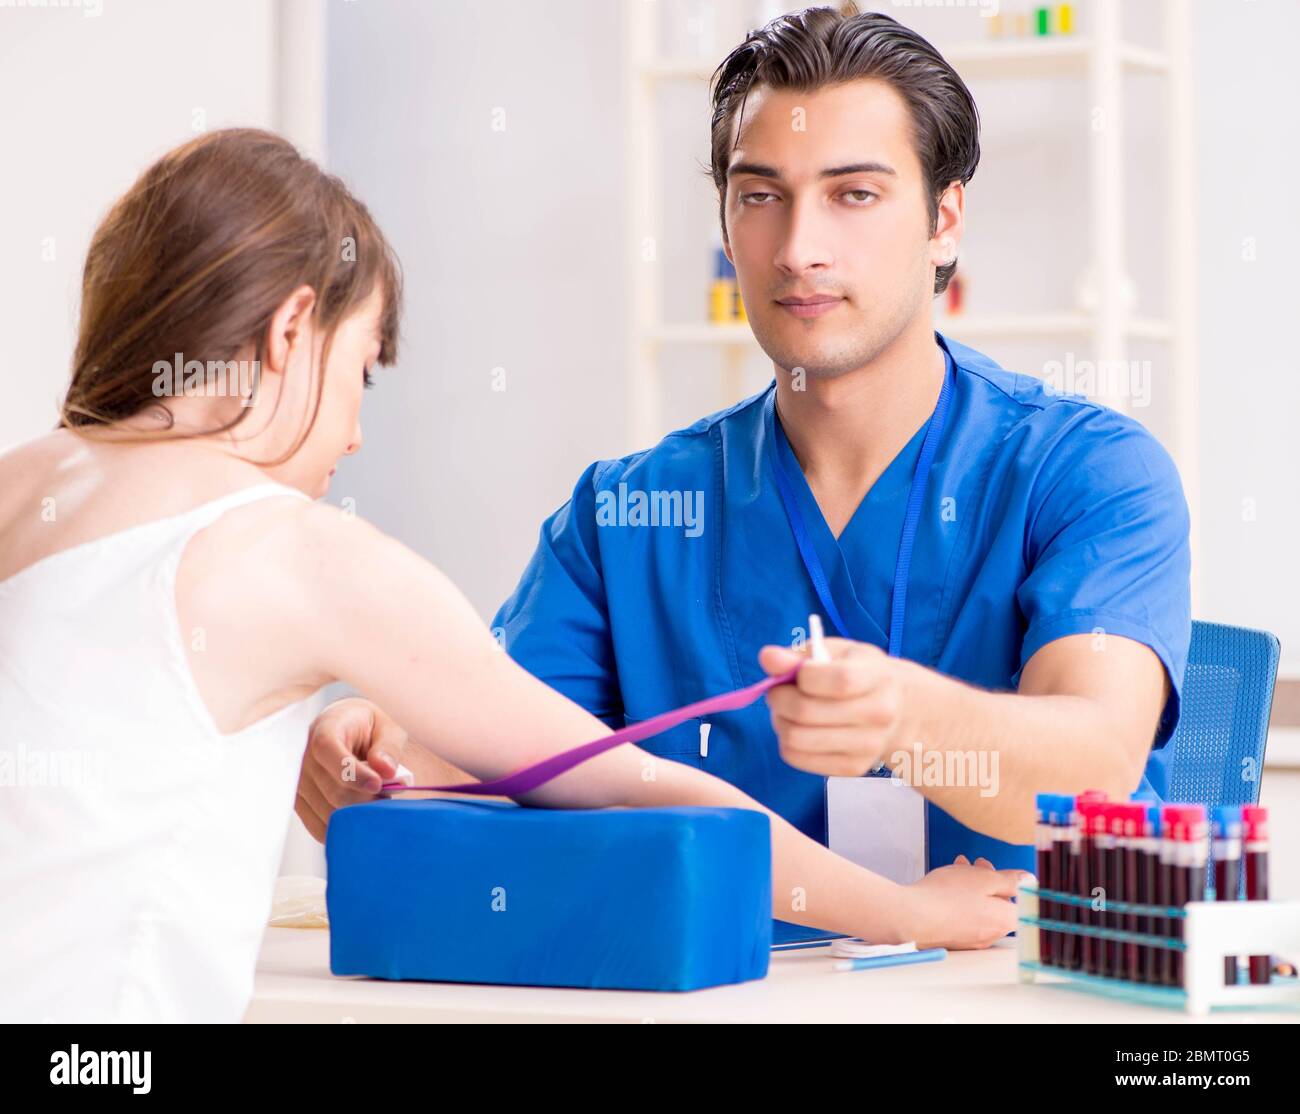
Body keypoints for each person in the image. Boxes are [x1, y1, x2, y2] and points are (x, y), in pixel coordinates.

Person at [0, 127, 1025, 1024]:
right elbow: (631, 783)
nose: (353, 436)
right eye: (361, 373)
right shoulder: (296, 550)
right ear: (287, 332)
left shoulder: (20, 487)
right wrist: (906, 910)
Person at [299, 5, 1191, 938]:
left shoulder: (1088, 472)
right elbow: (510, 745)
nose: (799, 246)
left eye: (855, 194)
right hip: (734, 990)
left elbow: (1094, 765)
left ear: (944, 220)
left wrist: (907, 718)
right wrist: (380, 743)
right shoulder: (629, 516)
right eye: (761, 194)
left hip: (1022, 985)